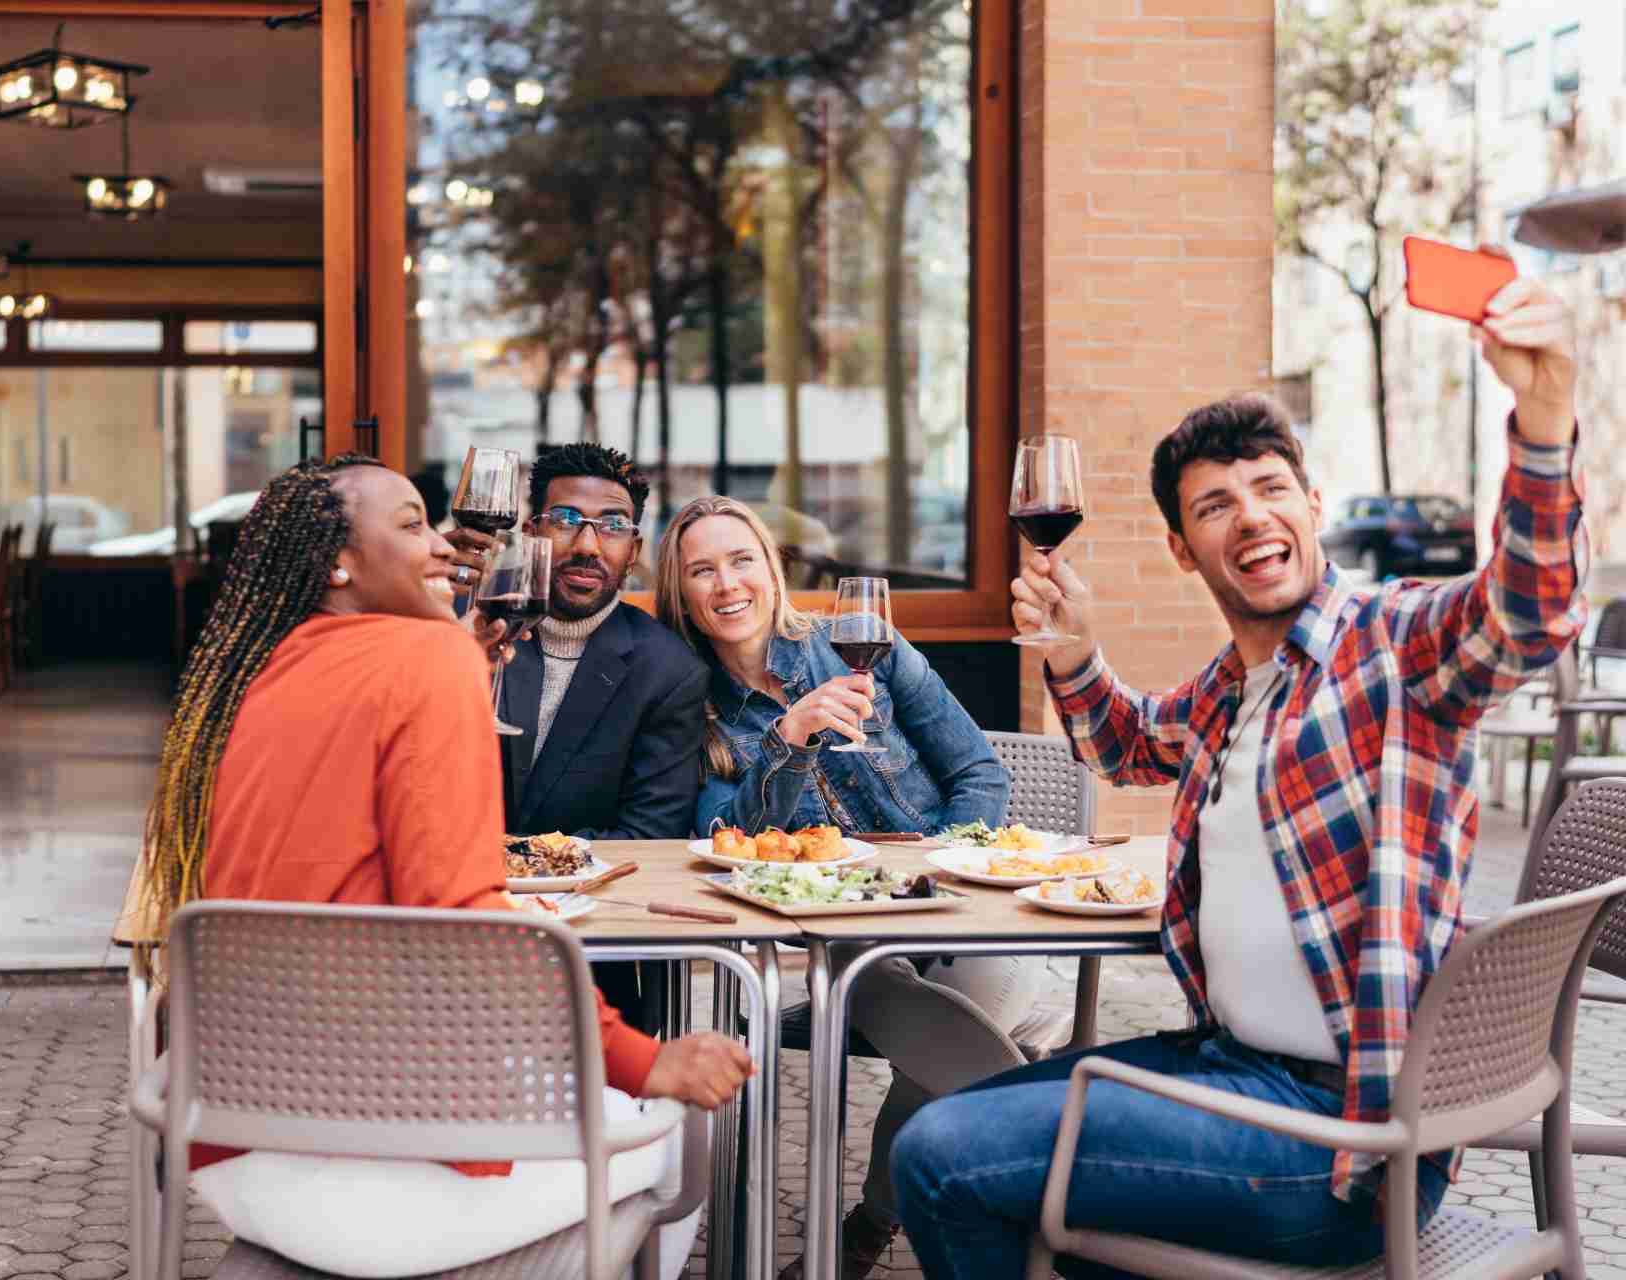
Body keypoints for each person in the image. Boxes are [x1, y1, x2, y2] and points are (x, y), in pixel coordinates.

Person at [890, 257, 1584, 1279]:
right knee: (968, 1123)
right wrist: (1075, 652)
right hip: (1231, 1071)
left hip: (1344, 1138)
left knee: (943, 1158)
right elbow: (1130, 741)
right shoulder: (1231, 688)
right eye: (1215, 506)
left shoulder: (1394, 650)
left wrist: (1545, 415)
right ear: (1184, 549)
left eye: (1269, 490)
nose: (1251, 516)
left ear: (1311, 504)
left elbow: (1528, 609)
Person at [138, 454, 752, 1277]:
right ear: (336, 562)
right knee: (676, 1137)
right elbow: (467, 923)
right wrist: (651, 1059)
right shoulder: (430, 662)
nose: (444, 548)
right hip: (377, 1176)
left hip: (232, 1148)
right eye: (410, 525)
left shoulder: (257, 669)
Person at [653, 495, 1039, 1280]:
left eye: (741, 561)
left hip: (951, 916)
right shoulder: (686, 707)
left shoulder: (862, 644)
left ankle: (865, 1229)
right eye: (702, 570)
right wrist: (789, 739)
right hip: (845, 949)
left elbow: (978, 773)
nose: (727, 583)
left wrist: (945, 874)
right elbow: (724, 838)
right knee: (961, 1016)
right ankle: (1052, 1171)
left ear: (773, 569)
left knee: (978, 1004)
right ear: (682, 593)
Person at [449, 443, 710, 1033]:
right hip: (441, 934)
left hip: (584, 955)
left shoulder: (667, 672)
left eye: (612, 526)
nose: (588, 545)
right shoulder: (467, 622)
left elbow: (647, 837)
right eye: (566, 520)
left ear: (634, 550)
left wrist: (507, 866)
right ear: (532, 529)